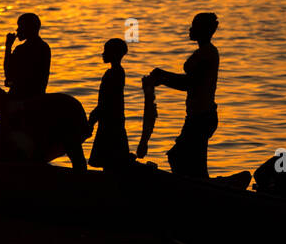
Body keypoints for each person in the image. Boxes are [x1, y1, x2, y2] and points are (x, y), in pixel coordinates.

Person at [143, 12, 220, 178]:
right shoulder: (205, 52)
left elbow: (188, 83)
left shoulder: (207, 54)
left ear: (203, 30)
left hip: (201, 118)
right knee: (190, 161)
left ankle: (196, 190)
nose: (190, 29)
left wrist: (163, 77)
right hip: (198, 117)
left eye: (194, 26)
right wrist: (163, 77)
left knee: (179, 157)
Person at [0, 87, 88, 169]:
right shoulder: (9, 112)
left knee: (71, 148)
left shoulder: (15, 111)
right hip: (65, 115)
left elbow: (34, 137)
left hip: (69, 116)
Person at [89, 38, 132, 170]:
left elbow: (107, 100)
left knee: (111, 159)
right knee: (113, 161)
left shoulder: (114, 73)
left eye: (106, 51)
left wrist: (94, 116)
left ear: (114, 54)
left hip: (110, 122)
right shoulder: (117, 72)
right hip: (112, 120)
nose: (103, 54)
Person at [3, 13, 50, 101]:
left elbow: (8, 72)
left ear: (28, 28)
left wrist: (8, 46)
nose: (17, 30)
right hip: (39, 93)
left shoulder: (21, 49)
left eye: (20, 26)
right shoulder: (44, 47)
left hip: (21, 96)